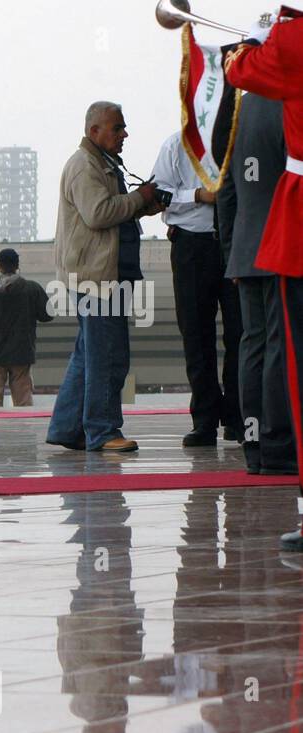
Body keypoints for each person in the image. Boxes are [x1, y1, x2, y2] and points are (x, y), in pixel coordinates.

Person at [225, 13, 303, 548]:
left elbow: (242, 69)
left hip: (275, 236)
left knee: (281, 353)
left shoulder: (287, 46)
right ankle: (267, 446)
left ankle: (267, 448)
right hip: (265, 239)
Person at [46, 101, 162, 453]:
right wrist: (139, 197)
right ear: (94, 131)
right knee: (107, 356)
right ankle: (102, 431)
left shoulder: (102, 164)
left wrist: (145, 203)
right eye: (117, 128)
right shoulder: (84, 167)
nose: (124, 134)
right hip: (97, 278)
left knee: (89, 355)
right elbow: (98, 213)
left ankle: (67, 429)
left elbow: (113, 210)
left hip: (107, 274)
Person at [217, 91, 296, 475]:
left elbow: (227, 190)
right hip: (282, 246)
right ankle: (279, 444)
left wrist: (232, 251)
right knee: (281, 346)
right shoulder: (290, 102)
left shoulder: (241, 107)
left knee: (253, 345)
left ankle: (255, 445)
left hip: (247, 249)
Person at [151, 130, 244, 446]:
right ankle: (204, 420)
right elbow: (157, 193)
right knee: (195, 334)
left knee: (242, 333)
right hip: (193, 243)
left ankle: (238, 416)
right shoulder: (176, 144)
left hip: (235, 243)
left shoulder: (239, 138)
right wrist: (197, 195)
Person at [0, 247, 51, 408]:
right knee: (23, 402)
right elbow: (47, 315)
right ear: (17, 265)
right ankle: (25, 432)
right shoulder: (32, 288)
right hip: (22, 353)